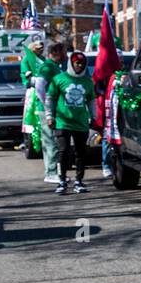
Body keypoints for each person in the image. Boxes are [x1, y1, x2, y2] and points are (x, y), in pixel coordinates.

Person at [44, 50, 96, 194]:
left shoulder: (88, 81)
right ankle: (62, 180)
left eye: (82, 63)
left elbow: (92, 100)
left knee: (80, 153)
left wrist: (94, 116)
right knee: (63, 151)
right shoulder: (59, 79)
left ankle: (79, 181)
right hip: (63, 122)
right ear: (71, 63)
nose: (79, 66)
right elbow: (50, 98)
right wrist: (50, 116)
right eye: (76, 63)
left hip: (81, 122)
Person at [36, 44, 66, 183]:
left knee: (52, 140)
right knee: (51, 140)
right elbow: (40, 86)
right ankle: (51, 173)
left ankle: (52, 171)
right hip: (47, 110)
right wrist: (46, 105)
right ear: (58, 53)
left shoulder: (54, 66)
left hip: (54, 109)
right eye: (64, 52)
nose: (66, 55)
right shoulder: (47, 67)